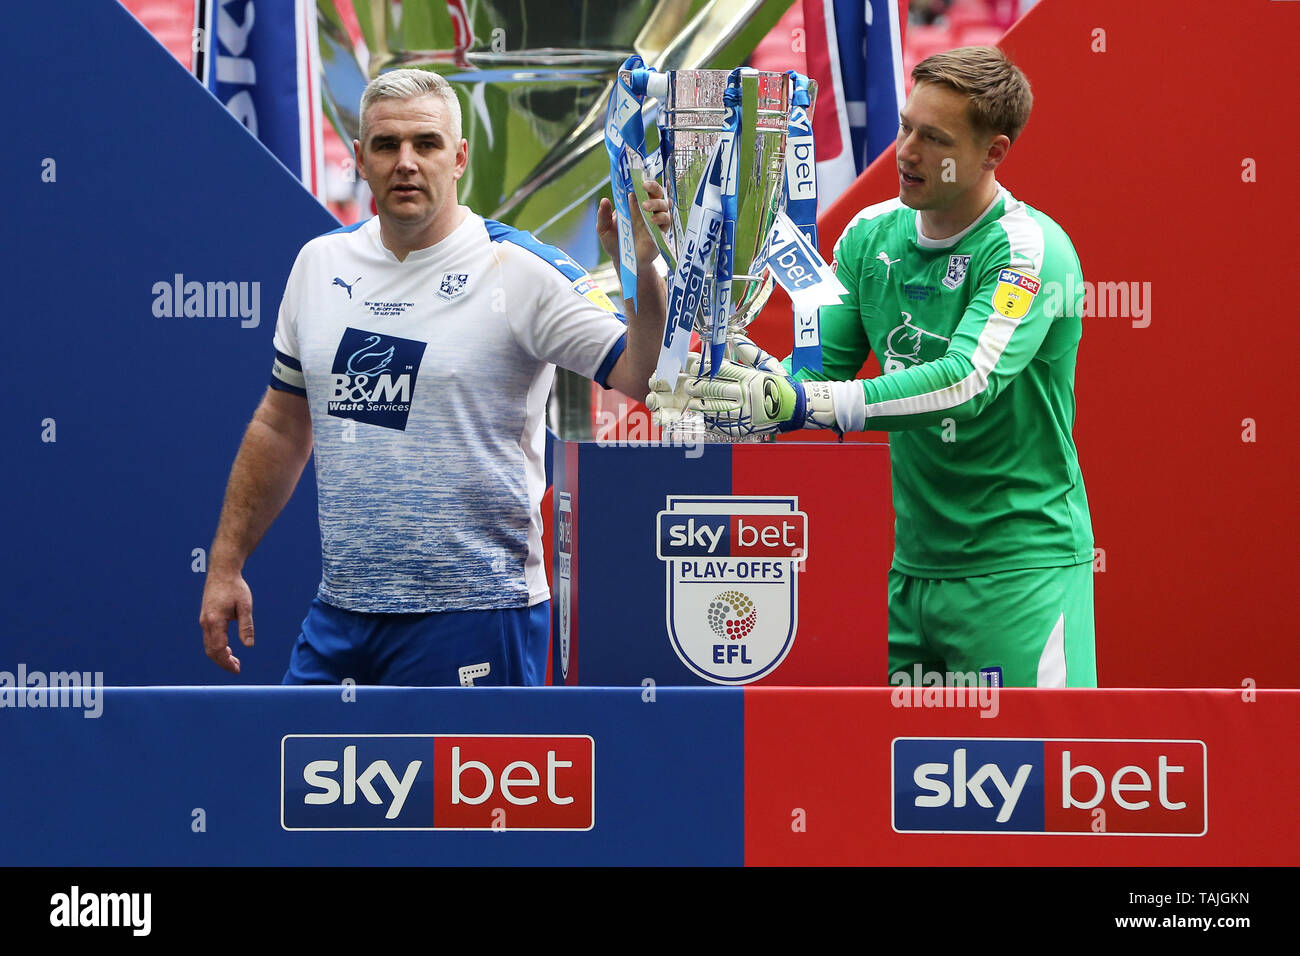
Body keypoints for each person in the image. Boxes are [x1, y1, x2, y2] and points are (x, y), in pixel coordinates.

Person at [200, 68, 667, 685]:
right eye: (387, 146)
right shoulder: (319, 265)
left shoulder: (519, 268)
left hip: (479, 615)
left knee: (457, 789)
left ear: (460, 158)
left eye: (427, 143)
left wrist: (637, 270)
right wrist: (226, 564)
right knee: (285, 779)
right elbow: (282, 425)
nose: (407, 162)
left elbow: (642, 372)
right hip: (341, 618)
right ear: (360, 160)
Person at [674, 47, 1095, 688]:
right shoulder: (870, 233)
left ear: (994, 152)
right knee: (895, 780)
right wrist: (745, 376)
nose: (906, 151)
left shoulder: (1029, 250)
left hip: (1019, 572)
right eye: (904, 127)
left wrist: (802, 403)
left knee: (1022, 776)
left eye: (935, 138)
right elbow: (817, 376)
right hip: (908, 568)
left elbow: (966, 382)